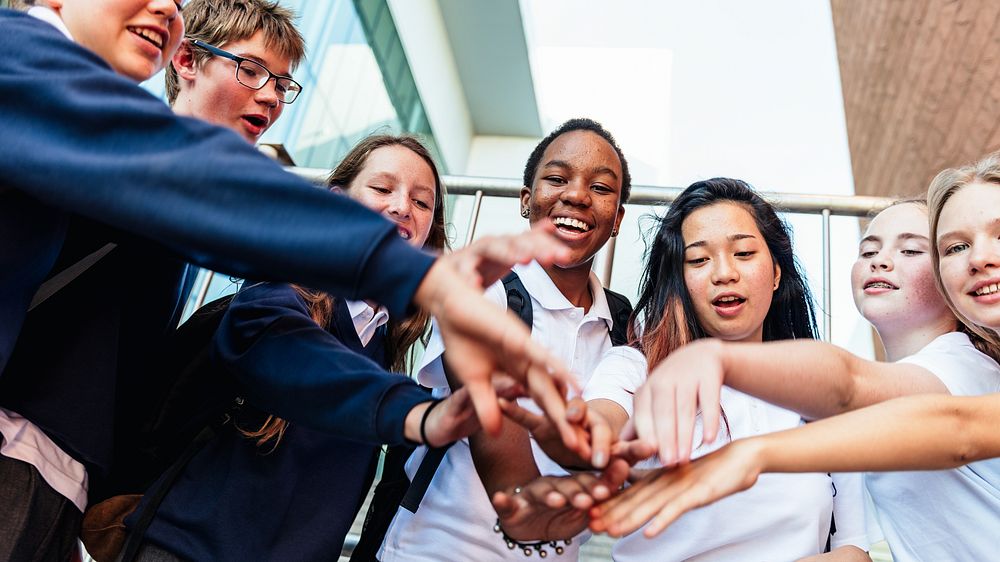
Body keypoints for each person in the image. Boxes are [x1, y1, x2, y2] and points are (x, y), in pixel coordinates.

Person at [0, 2, 580, 559]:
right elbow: (261, 309)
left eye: (282, 82)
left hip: (62, 470)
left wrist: (417, 406)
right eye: (252, 69)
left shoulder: (376, 337)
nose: (273, 94)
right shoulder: (31, 64)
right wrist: (422, 284)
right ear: (187, 61)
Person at [589, 155, 1000, 554]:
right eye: (867, 251)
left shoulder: (963, 363)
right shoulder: (636, 368)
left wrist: (747, 435)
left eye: (912, 250)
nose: (881, 262)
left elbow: (856, 389)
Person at [126, 134, 484, 561]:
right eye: (382, 188)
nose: (401, 207)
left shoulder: (390, 351)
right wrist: (416, 413)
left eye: (422, 202)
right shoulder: (276, 296)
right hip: (183, 550)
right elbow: (296, 356)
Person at [507, 179, 871, 560]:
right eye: (698, 260)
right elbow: (603, 417)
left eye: (744, 253)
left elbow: (855, 550)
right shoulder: (638, 367)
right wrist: (585, 434)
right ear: (680, 281)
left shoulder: (820, 386)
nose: (724, 273)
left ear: (777, 273)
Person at [378, 118, 632, 561]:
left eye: (602, 188)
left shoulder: (623, 323)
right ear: (526, 200)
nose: (576, 195)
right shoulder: (482, 289)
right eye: (557, 179)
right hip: (437, 550)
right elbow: (498, 443)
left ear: (617, 220)